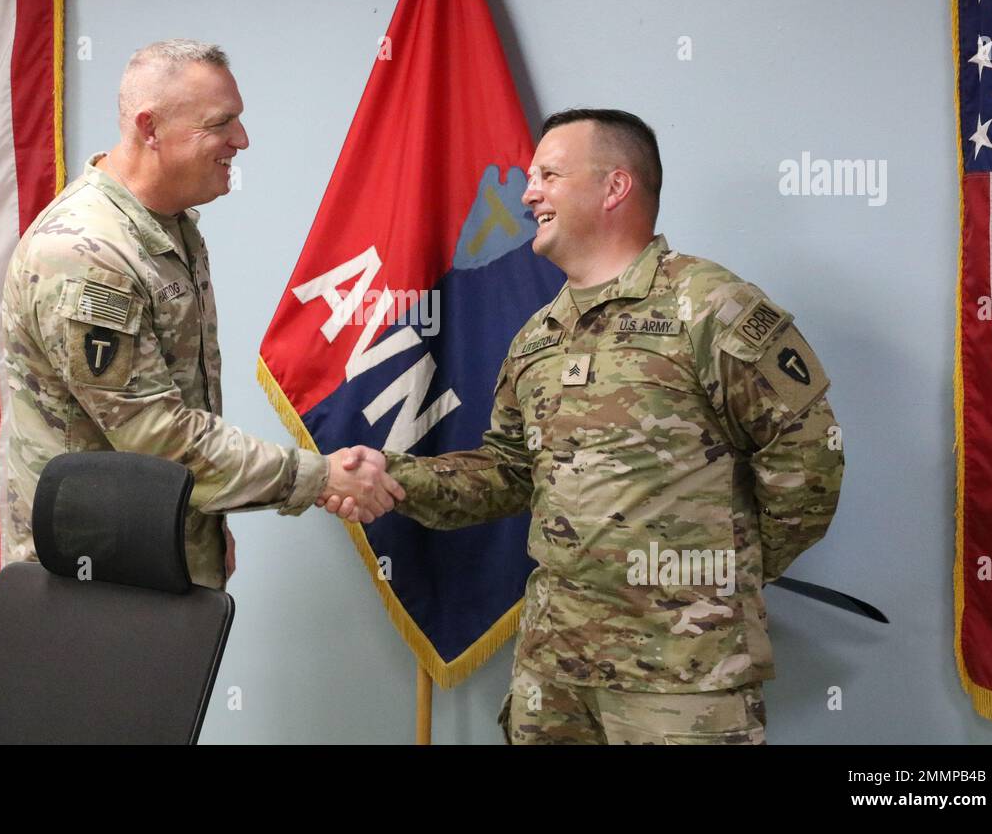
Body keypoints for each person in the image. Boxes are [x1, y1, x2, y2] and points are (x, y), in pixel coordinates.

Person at [321, 109, 844, 743]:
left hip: (680, 675)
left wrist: (720, 579)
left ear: (614, 187)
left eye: (548, 174)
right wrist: (394, 474)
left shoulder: (710, 306)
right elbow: (510, 474)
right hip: (554, 671)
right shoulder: (538, 336)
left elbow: (807, 462)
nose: (528, 192)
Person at [2, 39, 402, 589]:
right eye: (222, 124)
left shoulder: (170, 226)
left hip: (155, 548)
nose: (241, 140)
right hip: (95, 578)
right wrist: (320, 476)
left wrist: (204, 529)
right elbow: (157, 436)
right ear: (150, 128)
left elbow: (182, 409)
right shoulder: (86, 254)